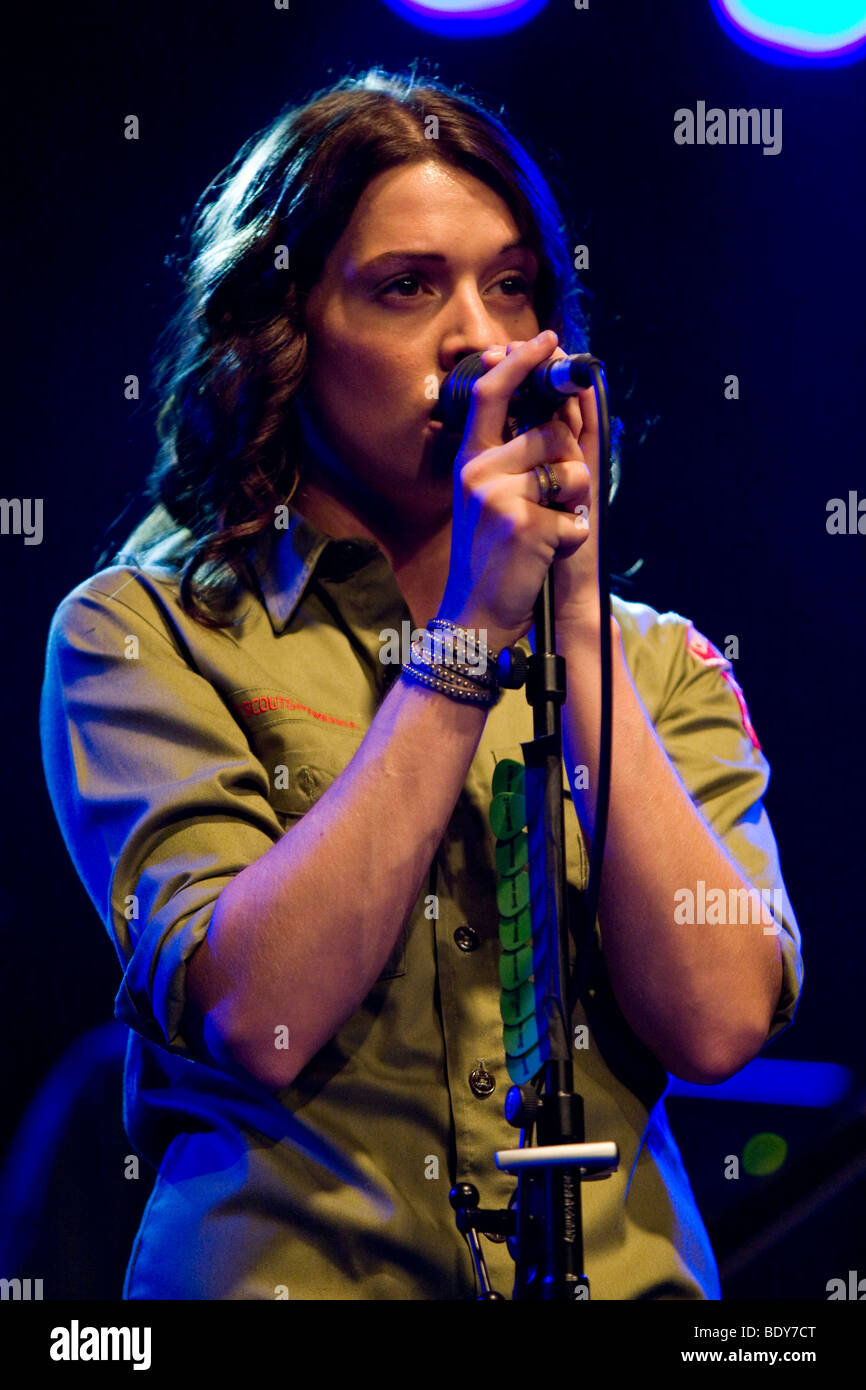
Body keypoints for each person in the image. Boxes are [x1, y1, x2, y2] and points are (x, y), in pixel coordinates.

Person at [39, 67, 803, 1301]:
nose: (479, 339)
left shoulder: (655, 660)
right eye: (407, 287)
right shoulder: (145, 633)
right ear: (282, 337)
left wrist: (567, 617)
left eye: (512, 286)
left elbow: (717, 1026)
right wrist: (462, 647)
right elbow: (260, 1015)